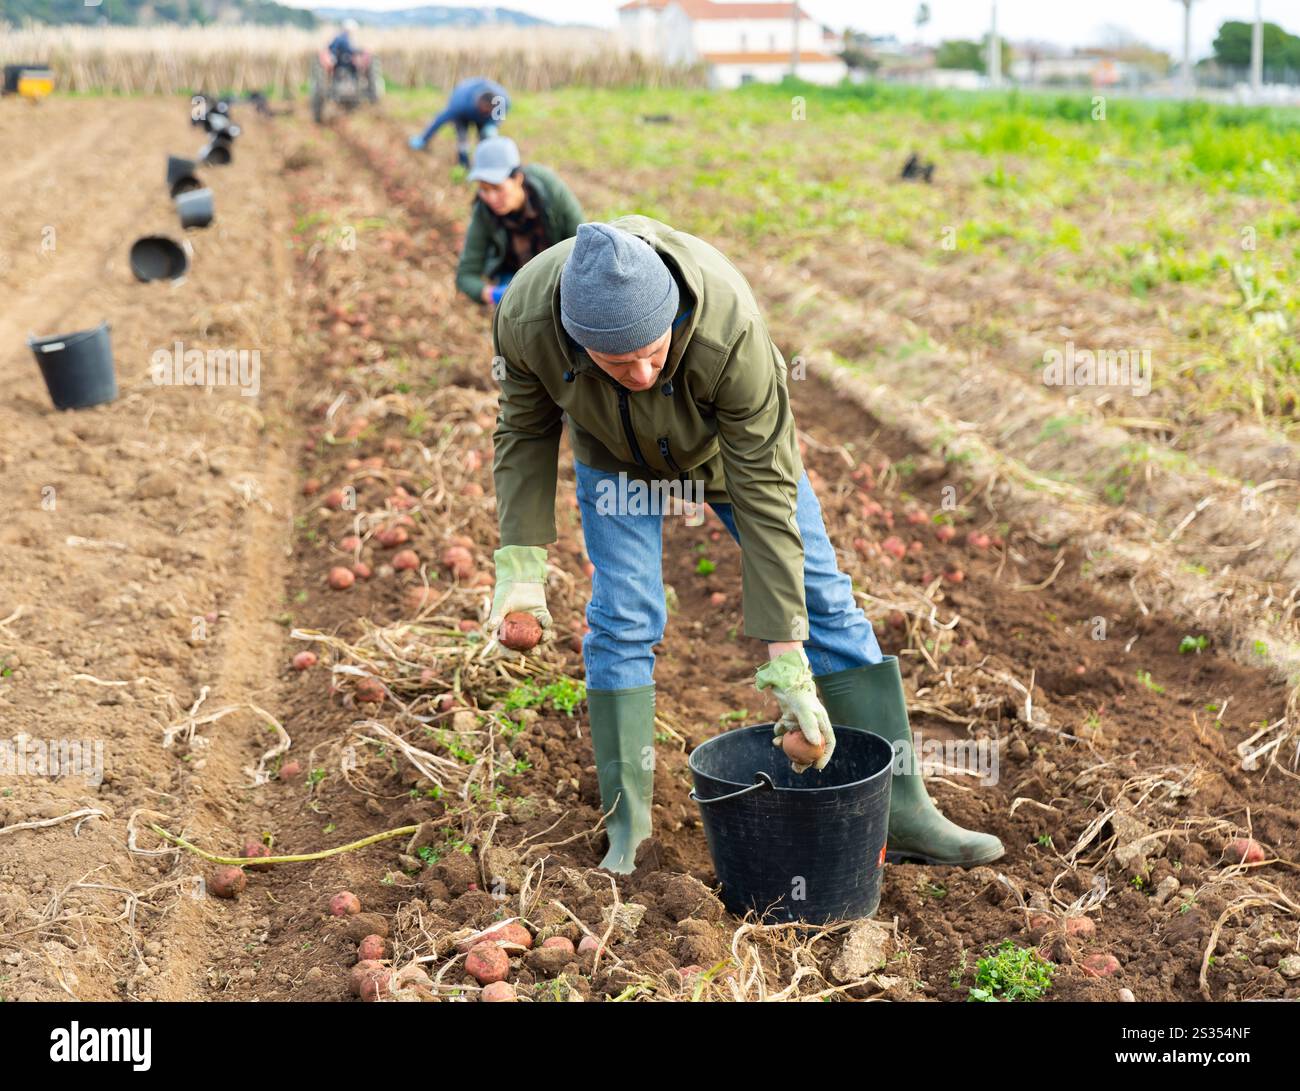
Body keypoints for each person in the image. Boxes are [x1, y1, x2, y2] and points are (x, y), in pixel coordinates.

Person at [486, 218, 1007, 874]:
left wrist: (787, 663)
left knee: (822, 598)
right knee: (622, 617)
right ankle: (630, 832)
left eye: (655, 351)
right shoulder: (529, 320)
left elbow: (767, 495)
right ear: (574, 339)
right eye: (619, 364)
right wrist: (521, 566)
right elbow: (524, 431)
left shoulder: (727, 327)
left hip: (731, 458)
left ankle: (902, 811)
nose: (643, 373)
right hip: (612, 457)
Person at [455, 137, 583, 308]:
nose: (491, 198)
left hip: (558, 270)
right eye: (484, 189)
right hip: (514, 278)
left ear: (518, 179)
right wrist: (492, 294)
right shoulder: (483, 212)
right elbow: (465, 275)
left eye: (497, 188)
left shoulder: (549, 189)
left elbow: (582, 243)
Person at [408, 77, 510, 168]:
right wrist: (423, 139)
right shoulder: (459, 103)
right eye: (483, 110)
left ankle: (486, 163)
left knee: (487, 139)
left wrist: (492, 126)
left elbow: (498, 120)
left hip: (486, 119)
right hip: (463, 116)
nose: (485, 112)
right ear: (477, 104)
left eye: (488, 111)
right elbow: (439, 120)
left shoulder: (501, 101)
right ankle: (463, 163)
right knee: (463, 140)